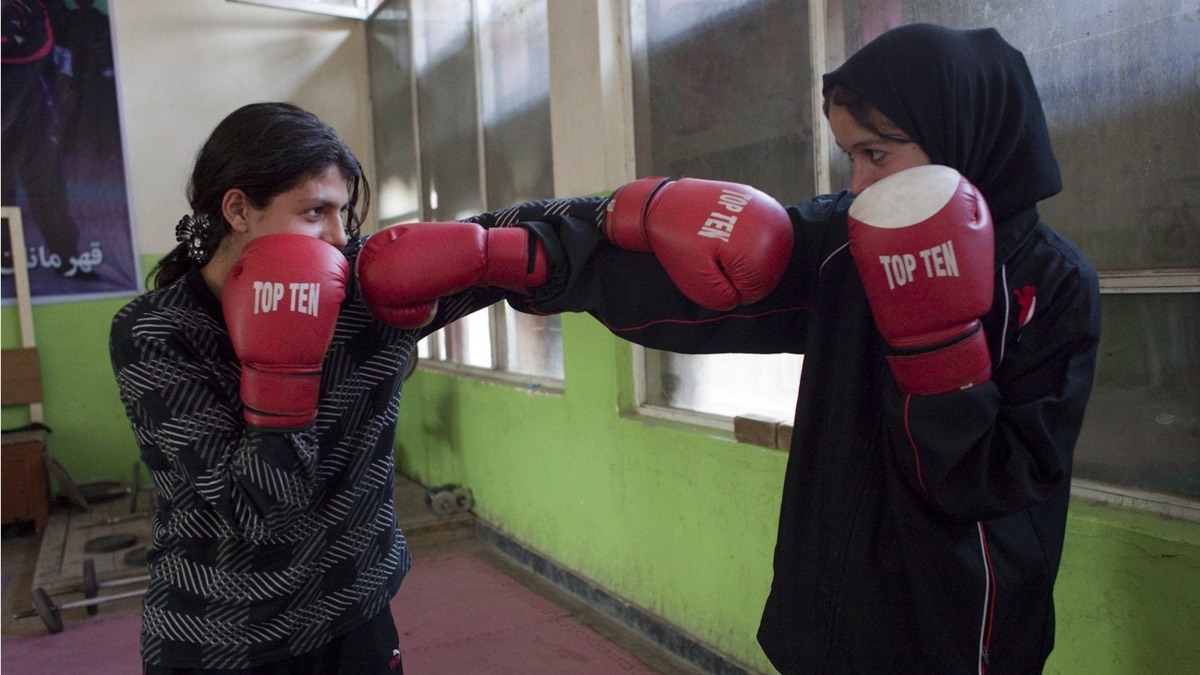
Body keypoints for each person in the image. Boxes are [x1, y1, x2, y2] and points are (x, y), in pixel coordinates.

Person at [359, 23, 1101, 673]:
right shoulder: (845, 242)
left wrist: (941, 353)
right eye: (850, 158)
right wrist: (525, 254)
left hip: (961, 640)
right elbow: (687, 272)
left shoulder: (1054, 286)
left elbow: (1005, 481)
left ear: (964, 131)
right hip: (829, 623)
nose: (860, 182)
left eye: (877, 154)